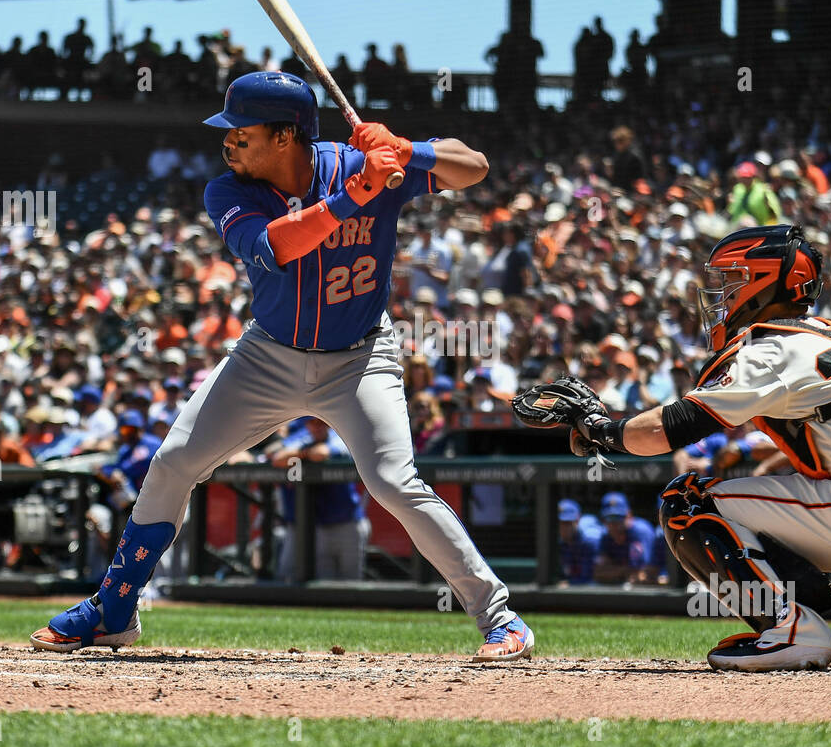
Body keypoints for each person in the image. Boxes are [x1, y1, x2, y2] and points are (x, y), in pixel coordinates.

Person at [32, 71, 533, 661]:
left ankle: (501, 619)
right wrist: (358, 194)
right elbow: (276, 246)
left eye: (241, 132)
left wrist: (406, 150)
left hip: (360, 357)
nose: (228, 143)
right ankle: (114, 608)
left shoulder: (357, 161)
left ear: (285, 135)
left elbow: (473, 166)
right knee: (172, 463)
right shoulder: (229, 191)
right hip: (266, 355)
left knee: (393, 482)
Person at [516, 224, 831, 671]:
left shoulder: (771, 346)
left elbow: (674, 427)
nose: (723, 293)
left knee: (688, 502)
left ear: (765, 280)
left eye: (732, 279)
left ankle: (790, 629)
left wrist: (601, 429)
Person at [270, 418, 369, 581]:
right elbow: (278, 457)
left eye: (321, 423)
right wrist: (305, 452)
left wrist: (302, 454)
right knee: (325, 582)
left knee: (351, 581)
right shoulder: (305, 438)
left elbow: (321, 453)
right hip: (321, 525)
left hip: (348, 523)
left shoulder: (340, 436)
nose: (317, 427)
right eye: (313, 423)